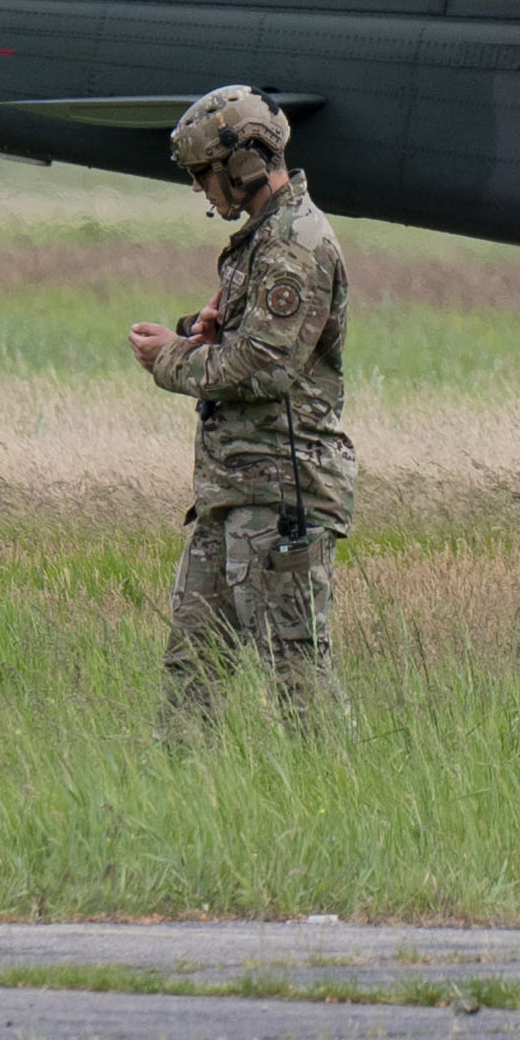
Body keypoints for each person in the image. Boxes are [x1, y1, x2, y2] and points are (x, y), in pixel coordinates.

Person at [131, 83, 353, 729]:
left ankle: (332, 802)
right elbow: (246, 345)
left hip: (282, 499)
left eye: (205, 175)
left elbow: (263, 366)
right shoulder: (264, 241)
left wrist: (171, 358)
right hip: (234, 494)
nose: (202, 191)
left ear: (245, 166)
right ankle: (178, 808)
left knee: (298, 675)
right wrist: (206, 328)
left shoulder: (293, 246)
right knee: (190, 672)